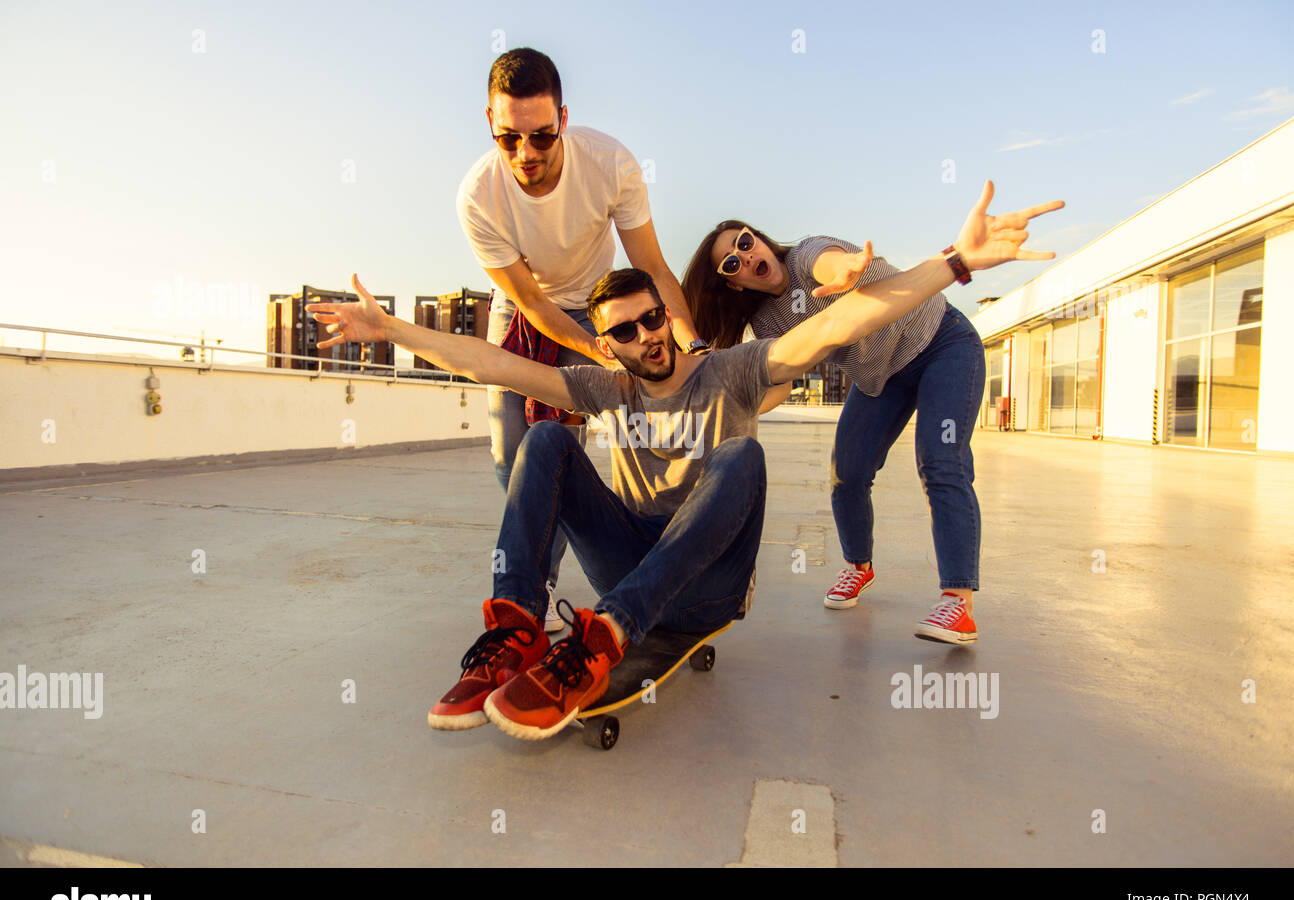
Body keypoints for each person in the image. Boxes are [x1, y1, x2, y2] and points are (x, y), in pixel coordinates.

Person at [309, 183, 1057, 738]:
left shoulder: (731, 369)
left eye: (651, 319)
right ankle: (516, 628)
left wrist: (955, 262)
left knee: (740, 460)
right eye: (626, 332)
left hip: (707, 586)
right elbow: (489, 364)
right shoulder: (602, 386)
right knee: (545, 437)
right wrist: (391, 329)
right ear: (609, 346)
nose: (646, 336)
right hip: (630, 561)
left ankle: (607, 635)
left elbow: (845, 321)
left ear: (667, 317)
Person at [681, 182, 1064, 645]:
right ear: (733, 282)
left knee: (941, 462)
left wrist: (845, 269)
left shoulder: (806, 255)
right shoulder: (768, 323)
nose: (745, 256)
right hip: (882, 378)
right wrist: (730, 409)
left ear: (758, 237)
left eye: (745, 241)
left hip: (942, 343)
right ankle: (858, 566)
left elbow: (829, 260)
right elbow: (781, 381)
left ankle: (957, 601)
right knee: (848, 470)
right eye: (732, 262)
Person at [456, 47, 707, 630]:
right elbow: (533, 302)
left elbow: (654, 269)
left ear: (563, 120)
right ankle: (531, 586)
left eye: (542, 137)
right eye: (509, 139)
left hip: (598, 306)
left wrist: (692, 346)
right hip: (525, 309)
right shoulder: (477, 196)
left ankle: (547, 591)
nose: (526, 154)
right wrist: (593, 349)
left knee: (557, 444)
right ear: (490, 126)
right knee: (509, 455)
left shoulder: (611, 164)